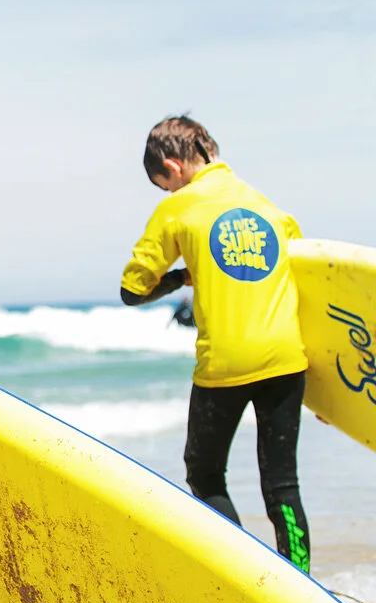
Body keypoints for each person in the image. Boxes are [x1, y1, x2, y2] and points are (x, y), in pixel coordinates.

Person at [120, 115, 310, 572]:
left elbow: (133, 288)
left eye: (164, 185)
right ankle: (303, 582)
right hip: (288, 360)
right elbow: (307, 282)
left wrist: (180, 277)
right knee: (283, 483)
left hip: (225, 365)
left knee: (204, 474)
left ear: (172, 166)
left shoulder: (179, 207)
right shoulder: (268, 206)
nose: (168, 193)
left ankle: (245, 575)